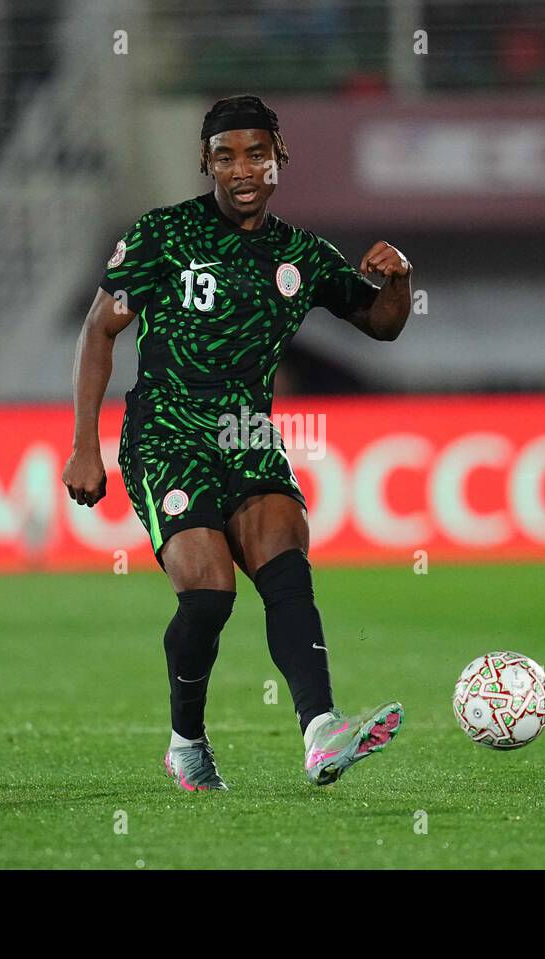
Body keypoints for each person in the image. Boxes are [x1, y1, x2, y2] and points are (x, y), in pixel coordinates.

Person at [61, 95, 413, 791]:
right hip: (167, 433)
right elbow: (100, 329)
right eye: (225, 156)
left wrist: (399, 278)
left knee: (287, 562)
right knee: (211, 593)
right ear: (206, 163)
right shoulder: (165, 233)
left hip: (248, 436)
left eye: (256, 153)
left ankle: (320, 731)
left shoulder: (302, 255)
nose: (242, 169)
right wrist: (84, 445)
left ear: (280, 155)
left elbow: (380, 323)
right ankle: (186, 741)